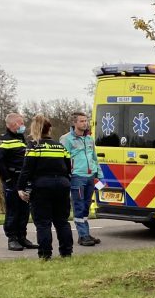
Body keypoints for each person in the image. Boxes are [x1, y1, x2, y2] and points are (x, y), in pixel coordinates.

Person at [17, 114, 74, 260]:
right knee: (62, 221)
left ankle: (45, 254)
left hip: (42, 186)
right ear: (50, 130)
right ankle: (66, 252)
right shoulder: (60, 146)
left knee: (43, 223)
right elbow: (69, 168)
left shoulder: (34, 146)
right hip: (62, 185)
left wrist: (20, 188)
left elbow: (26, 169)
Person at [0, 112, 39, 252]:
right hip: (12, 180)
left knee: (24, 210)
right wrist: (8, 179)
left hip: (23, 181)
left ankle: (22, 237)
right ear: (13, 124)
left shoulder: (21, 139)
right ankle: (12, 238)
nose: (23, 125)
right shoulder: (3, 140)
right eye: (21, 123)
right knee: (13, 210)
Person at [59, 111, 101, 246]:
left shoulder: (89, 139)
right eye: (82, 121)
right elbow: (63, 160)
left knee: (87, 206)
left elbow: (94, 158)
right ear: (74, 123)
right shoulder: (66, 139)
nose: (85, 123)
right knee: (79, 205)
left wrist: (99, 174)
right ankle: (83, 235)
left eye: (86, 121)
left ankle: (86, 233)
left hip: (91, 176)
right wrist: (67, 175)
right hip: (77, 176)